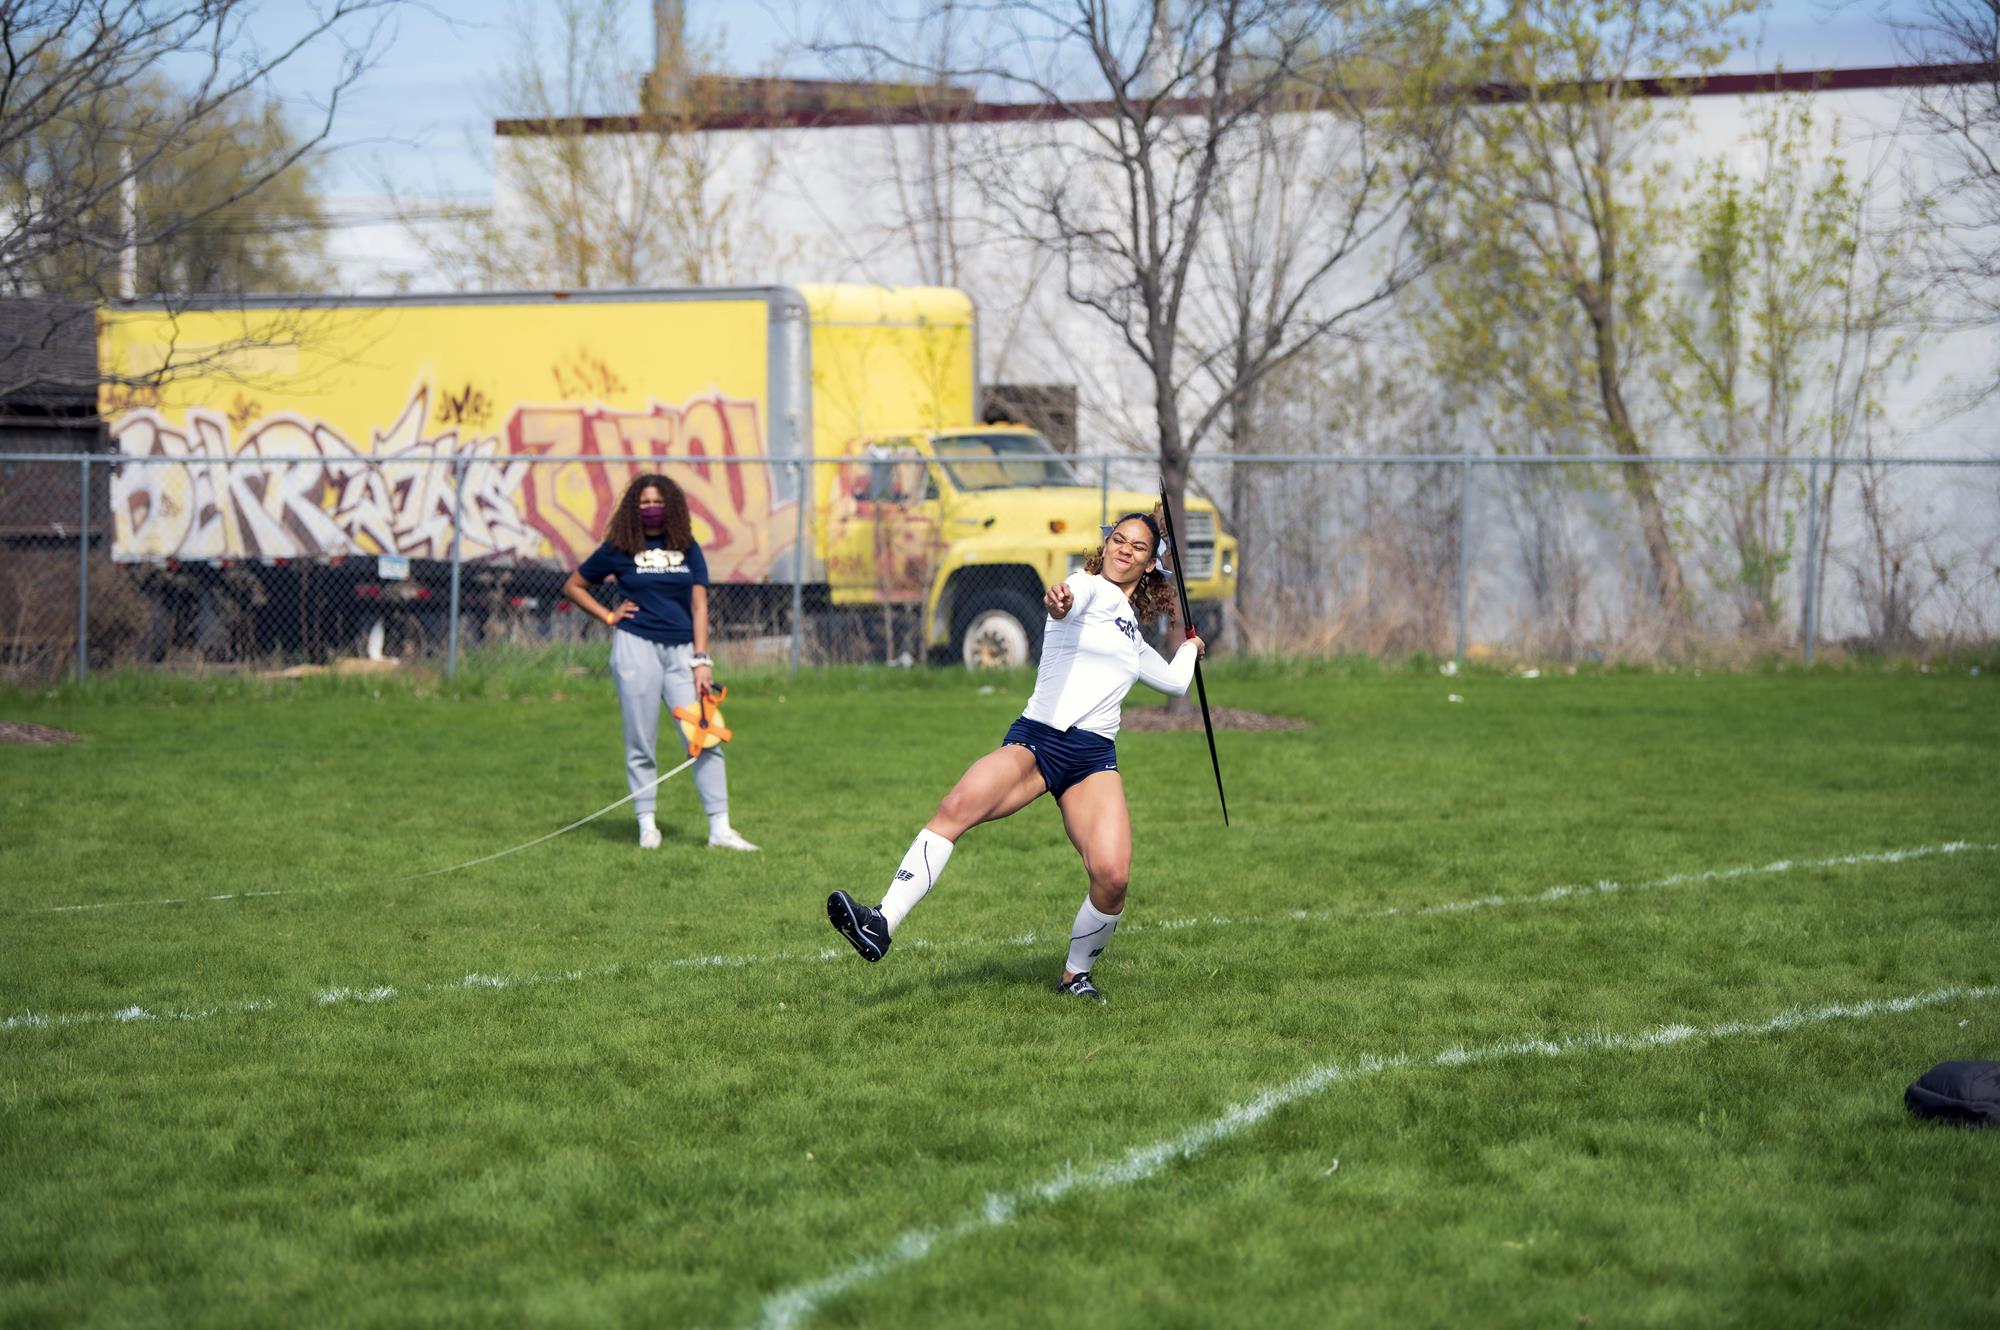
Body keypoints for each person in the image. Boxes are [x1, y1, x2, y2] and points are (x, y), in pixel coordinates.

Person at [827, 510, 1203, 1002]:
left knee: (1112, 878)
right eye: (1118, 539)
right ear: (1106, 544)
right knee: (956, 807)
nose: (1124, 549)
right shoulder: (1087, 588)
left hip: (1092, 759)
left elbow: (1174, 680)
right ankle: (881, 922)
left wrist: (1191, 648)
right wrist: (1059, 598)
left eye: (1137, 546)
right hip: (1039, 741)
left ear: (1151, 564)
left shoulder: (1130, 631)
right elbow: (1067, 600)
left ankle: (1075, 976)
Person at [562, 473, 758, 852]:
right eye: (644, 502)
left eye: (657, 502)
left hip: (683, 654)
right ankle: (647, 825)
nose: (651, 508)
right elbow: (573, 585)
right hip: (636, 648)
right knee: (641, 739)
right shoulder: (619, 546)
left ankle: (721, 829)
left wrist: (702, 660)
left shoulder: (688, 547)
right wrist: (608, 616)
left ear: (671, 506)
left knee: (706, 735)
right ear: (634, 508)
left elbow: (700, 605)